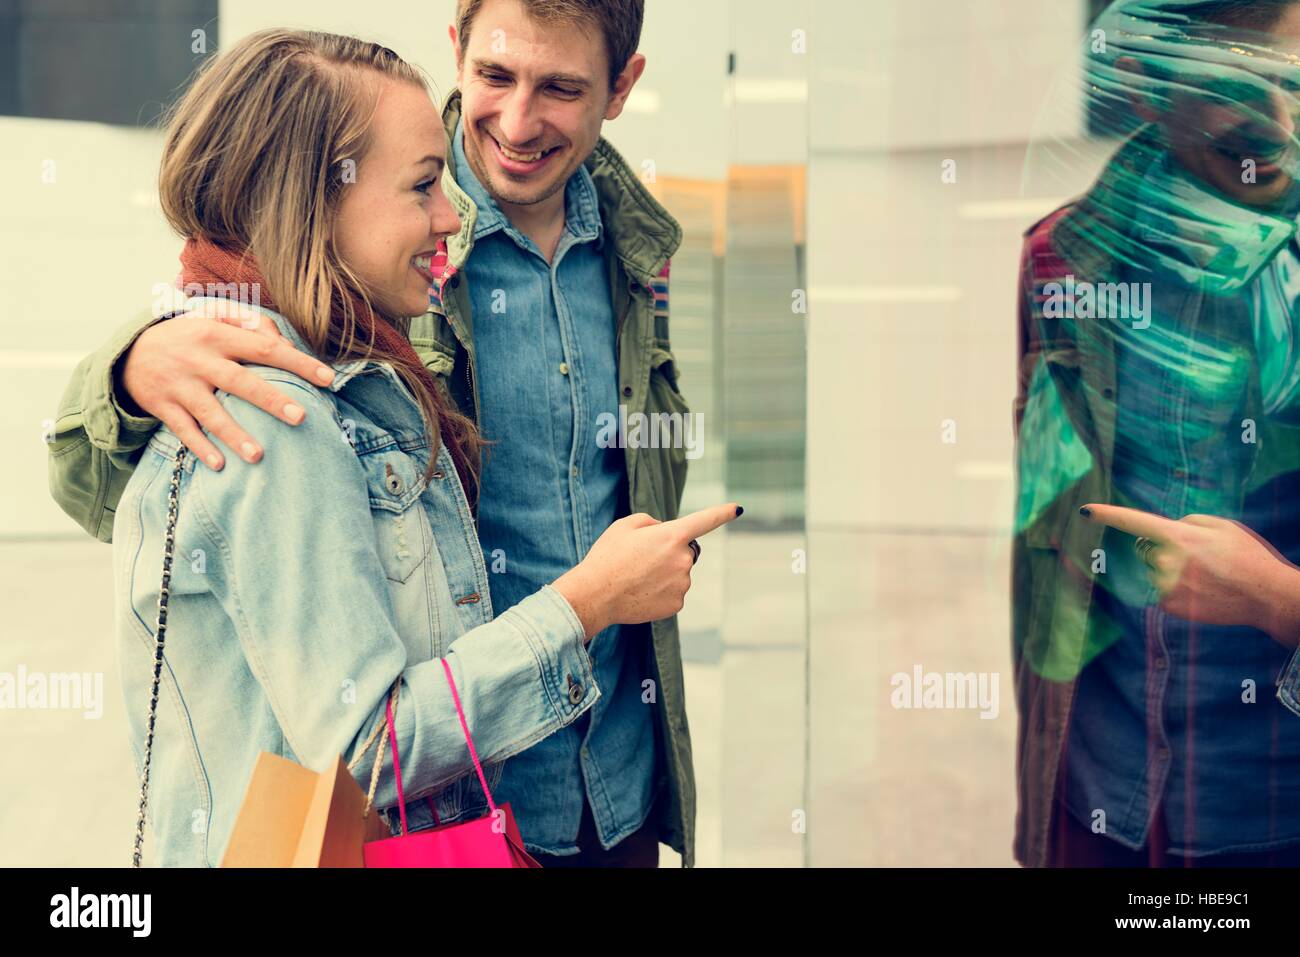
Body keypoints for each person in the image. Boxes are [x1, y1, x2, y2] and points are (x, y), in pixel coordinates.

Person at [48, 0, 704, 867]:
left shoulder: (634, 246)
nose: (515, 119)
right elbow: (136, 475)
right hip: (455, 799)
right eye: (496, 76)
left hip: (610, 782)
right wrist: (130, 368)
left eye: (561, 87)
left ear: (622, 87)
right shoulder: (277, 354)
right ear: (458, 53)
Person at [1013, 0, 1300, 868]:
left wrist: (1277, 598)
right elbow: (1046, 561)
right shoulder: (1060, 260)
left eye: (1289, 71)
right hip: (1103, 807)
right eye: (1235, 79)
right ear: (1141, 80)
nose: (1280, 117)